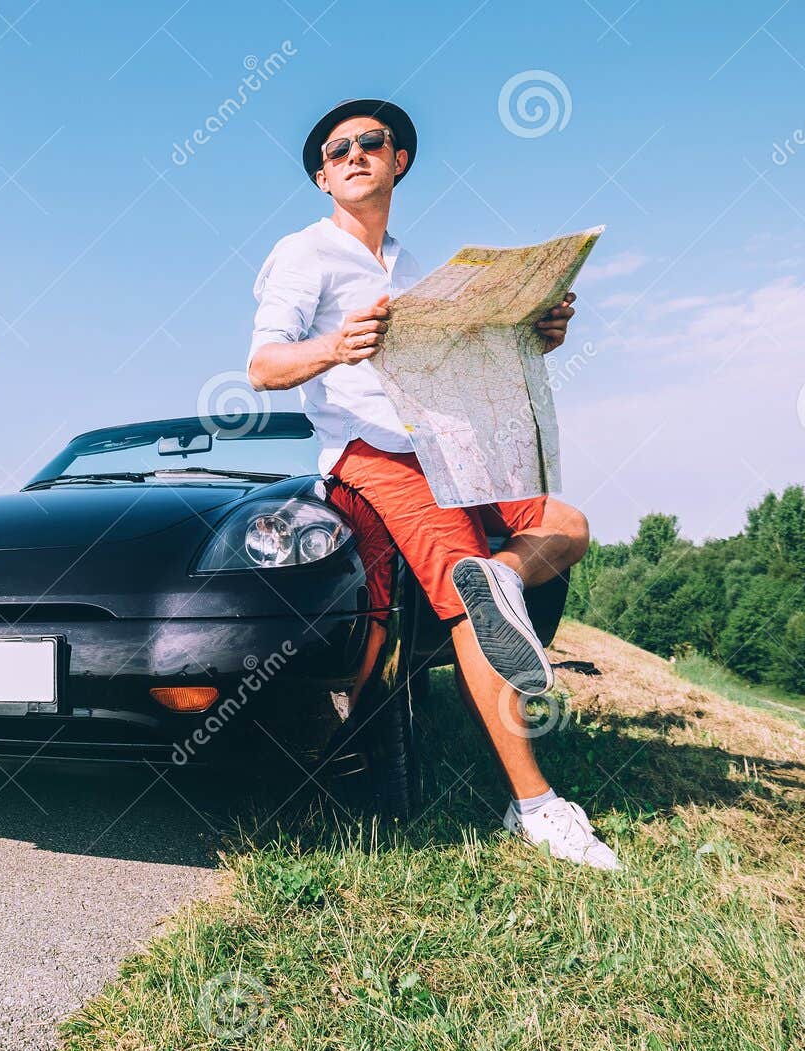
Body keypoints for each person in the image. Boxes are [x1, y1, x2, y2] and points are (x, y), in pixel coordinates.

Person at [246, 98, 618, 871]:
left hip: (452, 444)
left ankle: (500, 581)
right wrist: (333, 345)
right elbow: (263, 367)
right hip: (373, 454)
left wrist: (535, 337)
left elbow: (462, 370)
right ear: (322, 177)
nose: (354, 153)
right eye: (337, 149)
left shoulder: (415, 269)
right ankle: (537, 806)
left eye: (371, 143)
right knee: (462, 598)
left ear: (398, 160)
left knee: (569, 524)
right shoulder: (303, 254)